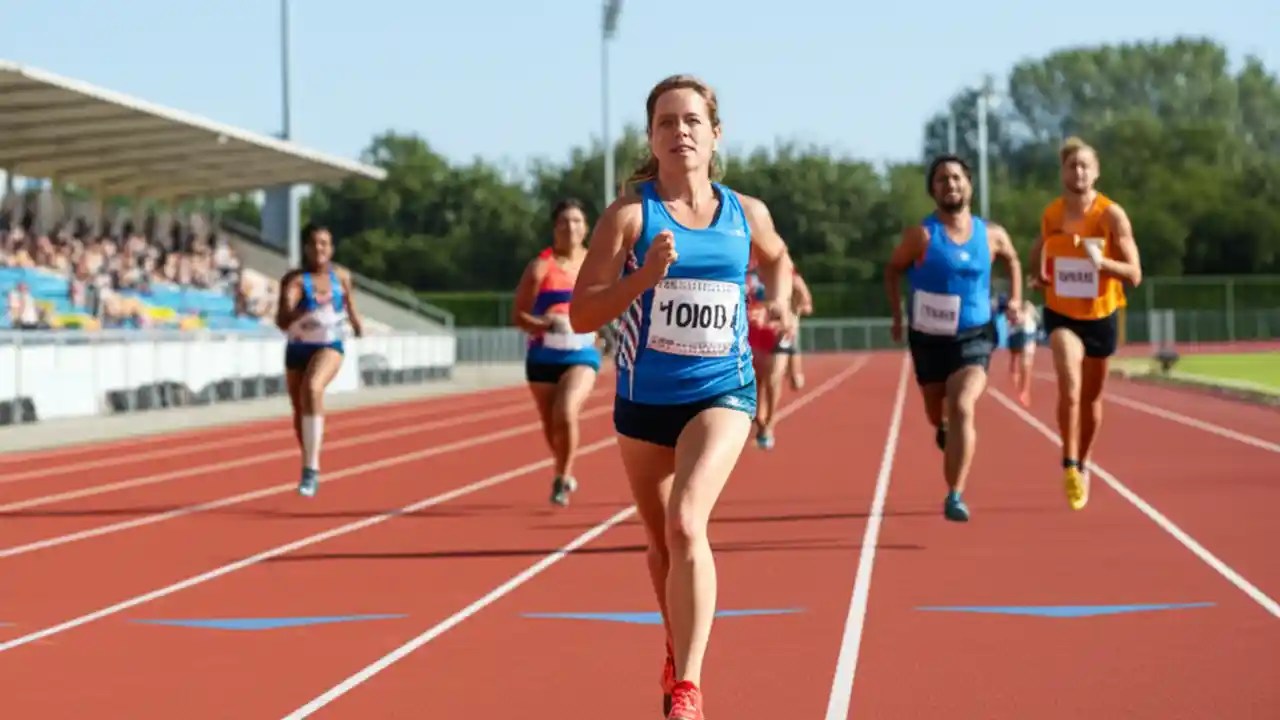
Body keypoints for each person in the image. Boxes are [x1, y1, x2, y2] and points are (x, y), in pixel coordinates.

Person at [569, 73, 794, 720]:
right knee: (662, 544)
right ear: (651, 138)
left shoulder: (746, 213)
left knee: (687, 521)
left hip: (723, 389)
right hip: (644, 400)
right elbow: (583, 314)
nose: (680, 132)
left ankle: (688, 689)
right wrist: (643, 277)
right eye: (666, 122)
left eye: (692, 120)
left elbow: (778, 258)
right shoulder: (630, 216)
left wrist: (780, 300)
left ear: (715, 134)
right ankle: (678, 648)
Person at [885, 154, 1023, 522]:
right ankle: (943, 428)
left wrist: (1015, 299)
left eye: (957, 178)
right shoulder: (921, 236)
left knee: (962, 403)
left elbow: (1012, 260)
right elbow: (893, 269)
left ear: (969, 185)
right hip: (928, 337)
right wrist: (898, 315)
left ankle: (955, 493)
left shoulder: (991, 235)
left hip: (975, 335)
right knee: (936, 412)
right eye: (942, 179)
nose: (951, 184)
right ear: (933, 190)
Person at [1029, 136, 1141, 511]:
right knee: (1069, 385)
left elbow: (1135, 274)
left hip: (1101, 316)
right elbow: (1040, 246)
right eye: (1071, 165)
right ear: (1062, 172)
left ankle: (1084, 460)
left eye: (1084, 165)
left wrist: (1102, 264)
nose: (1078, 171)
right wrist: (1039, 275)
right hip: (1062, 314)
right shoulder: (1053, 214)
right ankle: (1069, 462)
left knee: (1091, 398)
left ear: (1096, 172)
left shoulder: (1111, 215)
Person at [511, 198, 602, 506]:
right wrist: (546, 324)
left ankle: (562, 477)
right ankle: (563, 466)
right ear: (554, 228)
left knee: (566, 411)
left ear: (586, 227)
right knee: (552, 426)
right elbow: (518, 317)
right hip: (543, 355)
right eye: (563, 222)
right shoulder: (540, 267)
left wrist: (602, 328)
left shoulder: (596, 265)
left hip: (582, 354)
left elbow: (610, 303)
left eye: (576, 221)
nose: (570, 227)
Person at [275, 223, 364, 497]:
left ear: (331, 248)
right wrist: (298, 310)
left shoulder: (342, 277)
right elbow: (281, 321)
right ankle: (310, 457)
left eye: (324, 243)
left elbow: (350, 307)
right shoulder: (294, 280)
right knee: (299, 410)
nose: (319, 248)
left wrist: (358, 326)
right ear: (305, 248)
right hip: (297, 348)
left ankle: (310, 470)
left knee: (312, 388)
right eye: (313, 243)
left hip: (330, 346)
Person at [745, 252, 807, 449]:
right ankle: (760, 419)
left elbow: (803, 297)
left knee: (773, 379)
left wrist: (793, 313)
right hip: (750, 331)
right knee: (755, 381)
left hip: (776, 332)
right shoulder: (740, 262)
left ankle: (769, 424)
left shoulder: (780, 263)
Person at [1006, 298, 1041, 406]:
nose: (1013, 314)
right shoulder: (1011, 318)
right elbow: (1011, 319)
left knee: (1026, 361)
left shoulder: (1028, 317)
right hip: (1015, 333)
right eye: (1011, 311)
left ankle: (1025, 390)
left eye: (1015, 311)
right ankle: (1016, 376)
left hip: (1027, 334)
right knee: (1014, 356)